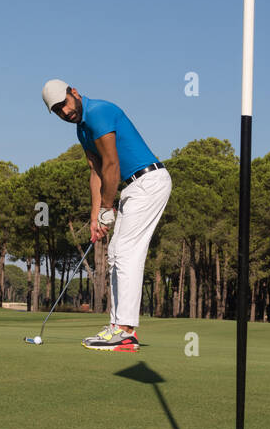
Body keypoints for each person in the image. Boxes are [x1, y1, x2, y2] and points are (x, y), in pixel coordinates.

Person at [41, 80, 172, 352]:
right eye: (57, 111)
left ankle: (125, 331)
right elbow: (96, 172)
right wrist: (94, 217)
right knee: (115, 253)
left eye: (64, 104)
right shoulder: (82, 130)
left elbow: (112, 164)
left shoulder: (98, 112)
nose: (64, 112)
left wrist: (107, 209)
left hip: (148, 181)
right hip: (134, 187)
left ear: (73, 92)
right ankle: (116, 327)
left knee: (126, 252)